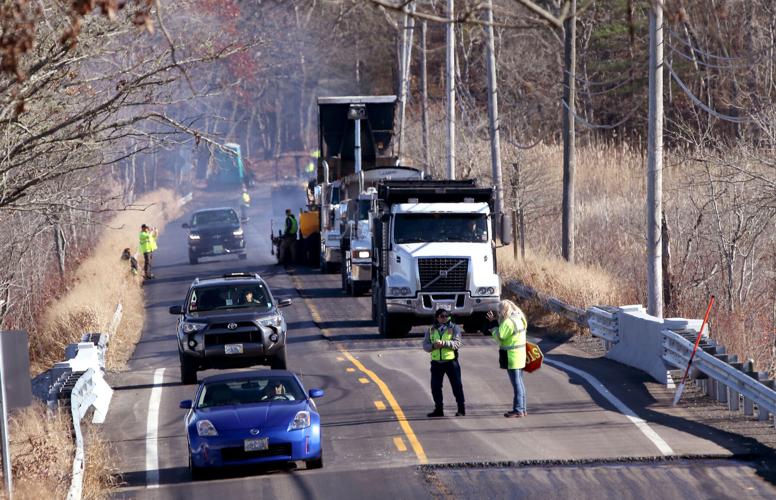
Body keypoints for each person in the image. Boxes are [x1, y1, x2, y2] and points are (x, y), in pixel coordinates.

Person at [487, 299, 528, 418]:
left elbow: (500, 336)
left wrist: (493, 328)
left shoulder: (508, 322)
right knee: (520, 383)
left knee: (517, 385)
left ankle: (518, 410)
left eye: (499, 311)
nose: (498, 313)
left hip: (511, 356)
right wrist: (496, 322)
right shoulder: (519, 318)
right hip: (520, 355)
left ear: (503, 310)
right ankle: (522, 408)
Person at [422, 308, 466, 417]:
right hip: (436, 362)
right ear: (437, 317)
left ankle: (461, 409)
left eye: (446, 316)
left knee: (457, 386)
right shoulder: (431, 330)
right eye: (442, 316)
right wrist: (433, 346)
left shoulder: (454, 328)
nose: (444, 318)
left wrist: (444, 343)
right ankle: (438, 409)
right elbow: (425, 346)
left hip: (451, 362)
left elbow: (458, 343)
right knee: (435, 387)